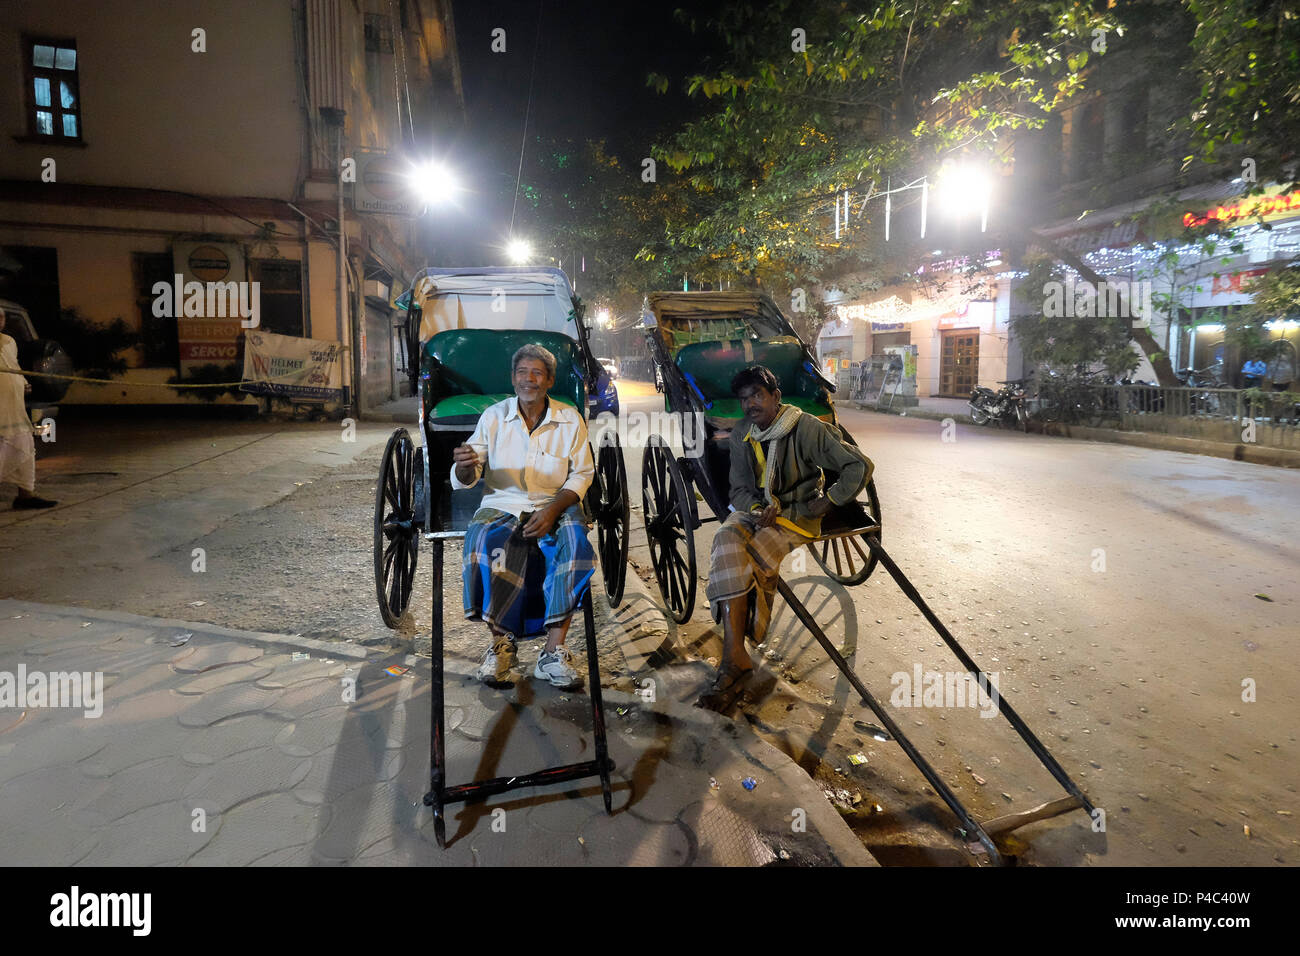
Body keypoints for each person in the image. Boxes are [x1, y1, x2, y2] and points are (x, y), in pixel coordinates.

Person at [699, 365, 872, 711]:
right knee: (726, 541)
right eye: (745, 398)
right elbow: (739, 489)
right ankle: (736, 655)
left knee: (755, 554)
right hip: (758, 513)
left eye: (758, 395)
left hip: (797, 516)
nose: (751, 404)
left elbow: (859, 465)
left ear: (775, 397)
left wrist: (830, 500)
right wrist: (757, 507)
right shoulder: (743, 433)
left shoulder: (805, 427)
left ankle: (733, 661)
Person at [453, 344, 595, 689]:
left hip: (555, 501)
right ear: (513, 378)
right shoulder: (494, 417)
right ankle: (501, 646)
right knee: (484, 542)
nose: (527, 379)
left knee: (575, 544)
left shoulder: (569, 418)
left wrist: (552, 511)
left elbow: (582, 473)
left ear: (549, 380)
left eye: (536, 373)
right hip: (503, 501)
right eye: (521, 372)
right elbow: (469, 471)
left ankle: (552, 653)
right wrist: (463, 465)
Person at [0, 311, 56, 509]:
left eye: (1, 317)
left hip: (14, 410)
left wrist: (22, 382)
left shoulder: (8, 341)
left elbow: (12, 366)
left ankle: (26, 495)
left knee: (24, 449)